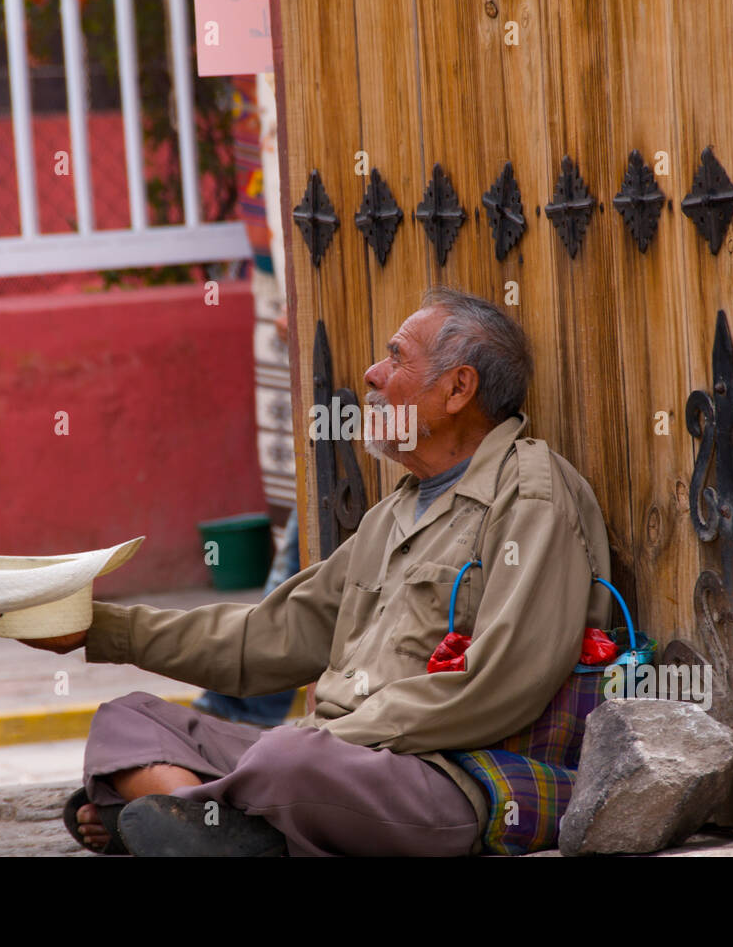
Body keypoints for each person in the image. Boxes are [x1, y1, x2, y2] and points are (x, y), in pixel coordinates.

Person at [33, 286, 610, 856]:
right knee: (128, 720)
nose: (372, 374)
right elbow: (267, 638)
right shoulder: (392, 515)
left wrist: (328, 737)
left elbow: (500, 686)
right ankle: (210, 827)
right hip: (325, 759)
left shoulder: (532, 494)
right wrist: (96, 628)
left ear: (458, 388)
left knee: (286, 759)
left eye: (397, 358)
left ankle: (185, 814)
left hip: (438, 774)